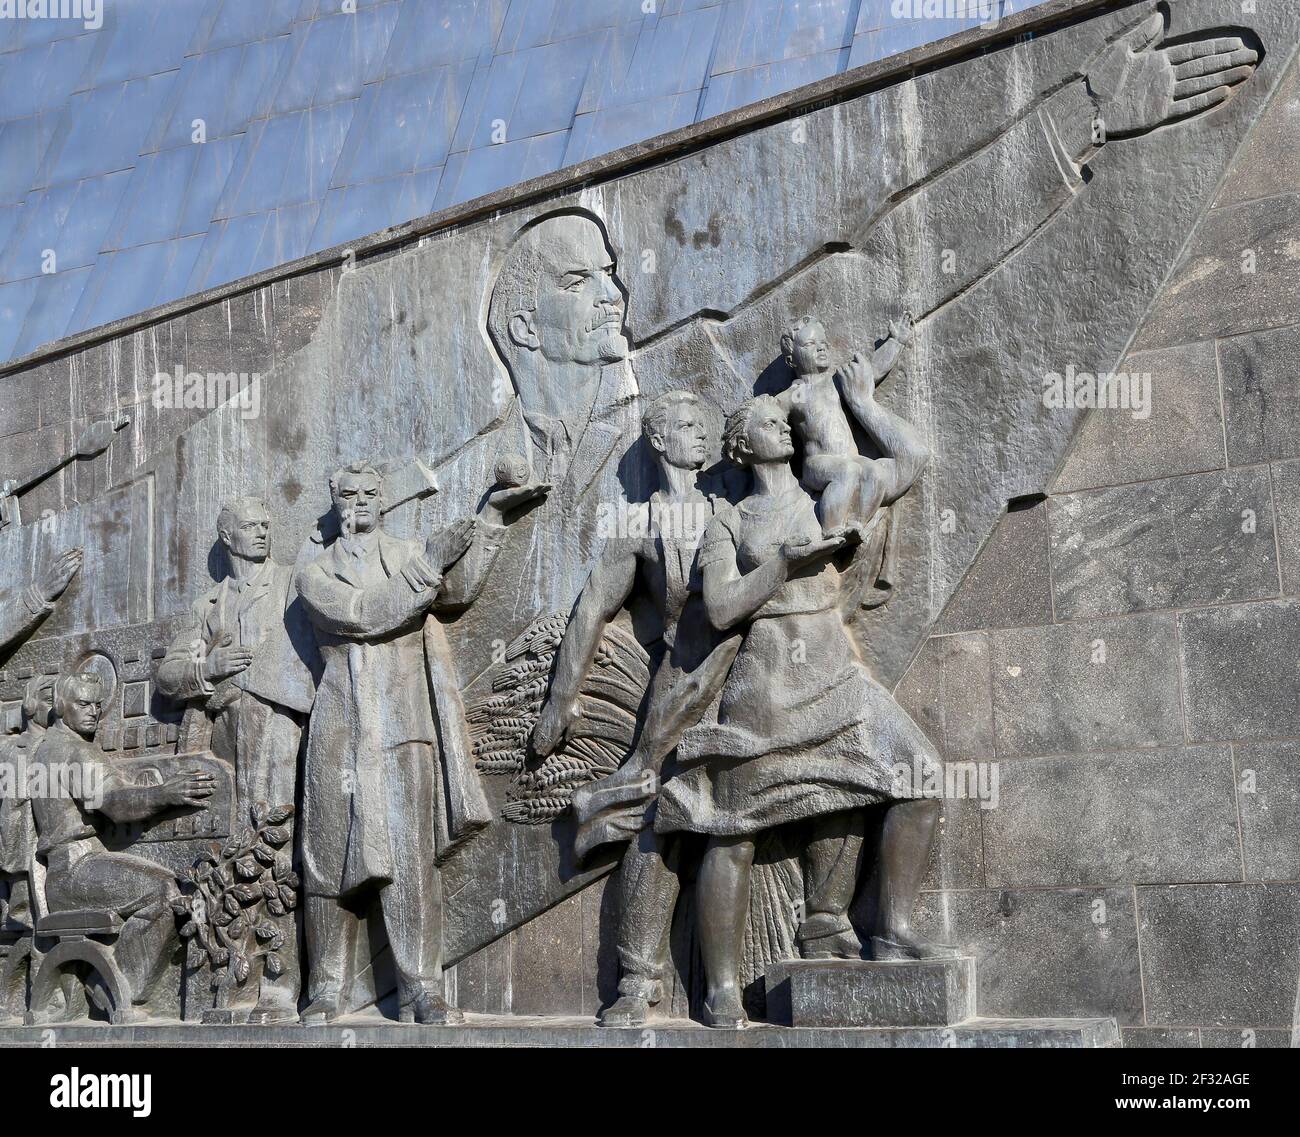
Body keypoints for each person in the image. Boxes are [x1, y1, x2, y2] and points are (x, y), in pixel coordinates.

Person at [656, 397, 954, 1027]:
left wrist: (861, 400)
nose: (781, 427)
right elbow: (720, 609)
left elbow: (909, 461)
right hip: (765, 676)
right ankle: (723, 988)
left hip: (832, 665)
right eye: (766, 421)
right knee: (733, 827)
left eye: (783, 420)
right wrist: (784, 565)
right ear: (742, 444)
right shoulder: (727, 522)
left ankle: (890, 929)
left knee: (921, 775)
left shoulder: (832, 489)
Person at [296, 460, 541, 1024]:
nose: (358, 501)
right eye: (347, 494)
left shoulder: (406, 554)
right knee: (329, 857)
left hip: (405, 726)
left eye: (368, 493)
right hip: (342, 727)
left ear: (383, 500)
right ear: (334, 503)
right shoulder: (314, 575)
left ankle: (420, 987)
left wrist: (489, 520)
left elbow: (453, 592)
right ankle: (326, 987)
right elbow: (363, 615)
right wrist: (431, 560)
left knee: (410, 858)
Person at [532, 390, 739, 1027]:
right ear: (658, 440)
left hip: (746, 675)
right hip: (680, 683)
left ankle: (726, 987)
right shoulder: (638, 523)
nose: (700, 438)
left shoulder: (729, 511)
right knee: (655, 822)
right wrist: (561, 699)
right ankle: (637, 978)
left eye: (706, 428)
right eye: (685, 427)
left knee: (732, 822)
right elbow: (593, 607)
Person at [155, 496, 319, 1022]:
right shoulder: (209, 605)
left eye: (267, 525)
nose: (263, 532)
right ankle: (232, 985)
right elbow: (167, 676)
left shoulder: (292, 582)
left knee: (276, 845)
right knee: (231, 855)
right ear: (227, 536)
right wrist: (210, 667)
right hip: (226, 742)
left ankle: (279, 986)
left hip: (277, 728)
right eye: (251, 526)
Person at [30, 672, 214, 1012]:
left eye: (98, 705)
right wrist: (168, 792)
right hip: (76, 872)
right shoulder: (75, 752)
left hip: (63, 873)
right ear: (60, 705)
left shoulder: (45, 749)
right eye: (83, 704)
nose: (93, 712)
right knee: (166, 891)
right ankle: (117, 988)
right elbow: (114, 803)